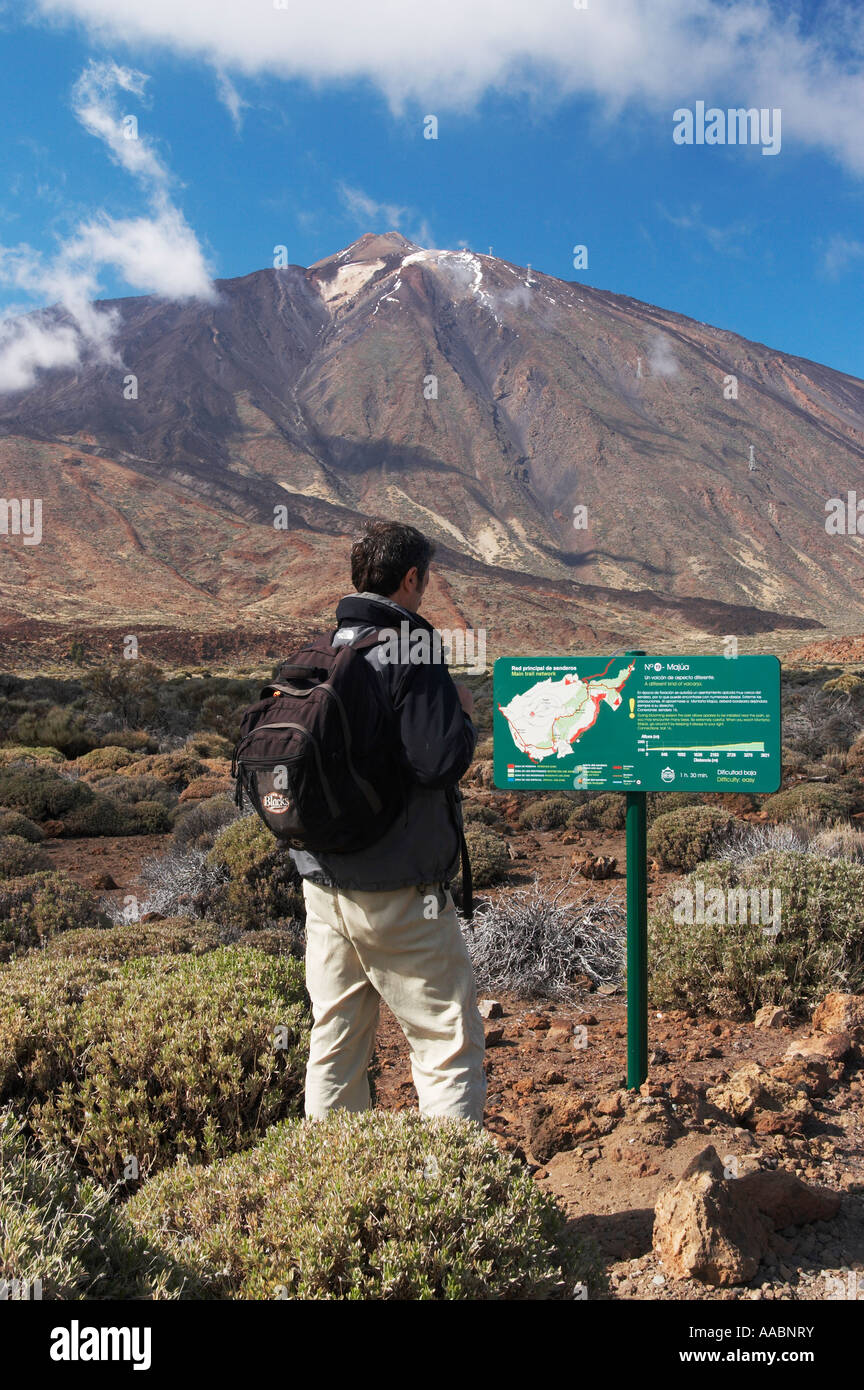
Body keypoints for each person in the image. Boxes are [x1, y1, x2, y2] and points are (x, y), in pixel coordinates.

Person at [290, 519, 487, 1125]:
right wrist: (463, 720)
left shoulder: (329, 647)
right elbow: (437, 761)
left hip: (322, 884)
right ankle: (452, 1202)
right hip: (399, 891)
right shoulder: (413, 647)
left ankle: (332, 1190)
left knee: (336, 1040)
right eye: (425, 578)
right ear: (410, 578)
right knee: (445, 1041)